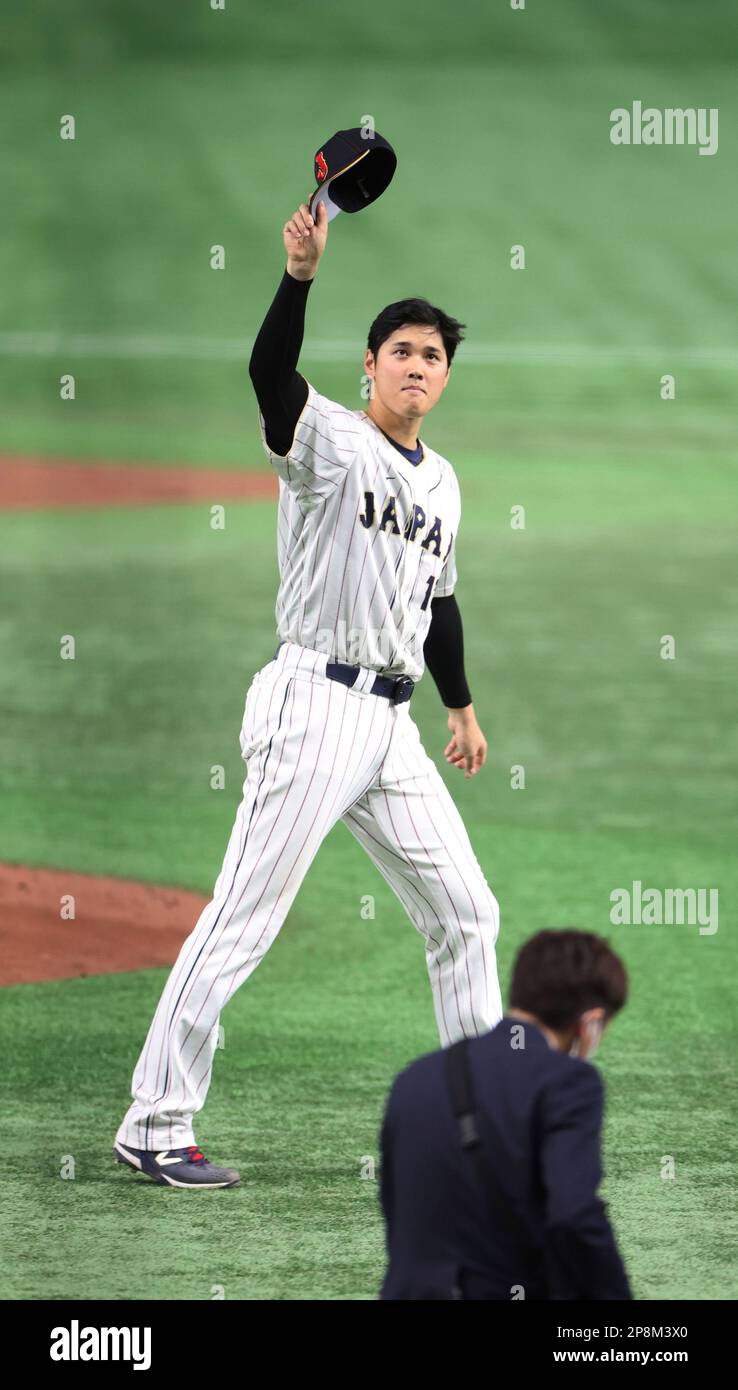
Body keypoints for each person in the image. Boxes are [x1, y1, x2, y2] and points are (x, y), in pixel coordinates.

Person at [112, 199, 503, 1190]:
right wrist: (299, 276)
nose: (418, 366)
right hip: (312, 705)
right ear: (369, 366)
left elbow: (440, 600)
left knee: (467, 910)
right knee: (247, 912)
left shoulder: (445, 482)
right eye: (401, 351)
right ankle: (154, 1121)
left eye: (433, 356)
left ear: (446, 379)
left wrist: (459, 705)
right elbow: (267, 376)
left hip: (391, 726)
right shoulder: (325, 438)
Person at [379, 929, 632, 1300]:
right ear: (590, 1021)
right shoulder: (568, 1082)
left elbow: (396, 1209)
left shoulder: (413, 1078)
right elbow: (573, 1216)